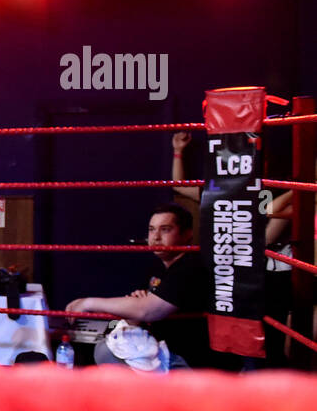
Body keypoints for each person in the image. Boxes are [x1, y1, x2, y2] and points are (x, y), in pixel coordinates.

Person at [172, 131, 293, 367]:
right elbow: (180, 187)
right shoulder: (228, 189)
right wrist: (178, 152)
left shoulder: (274, 190)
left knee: (274, 342)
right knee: (239, 333)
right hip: (240, 272)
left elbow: (265, 239)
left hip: (275, 275)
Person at [65, 204, 215, 369]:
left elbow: (149, 310)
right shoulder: (158, 267)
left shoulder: (192, 266)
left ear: (187, 234)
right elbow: (141, 316)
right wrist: (135, 308)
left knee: (106, 353)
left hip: (189, 359)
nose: (156, 237)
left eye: (165, 229)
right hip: (162, 349)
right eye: (152, 229)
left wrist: (88, 303)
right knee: (106, 347)